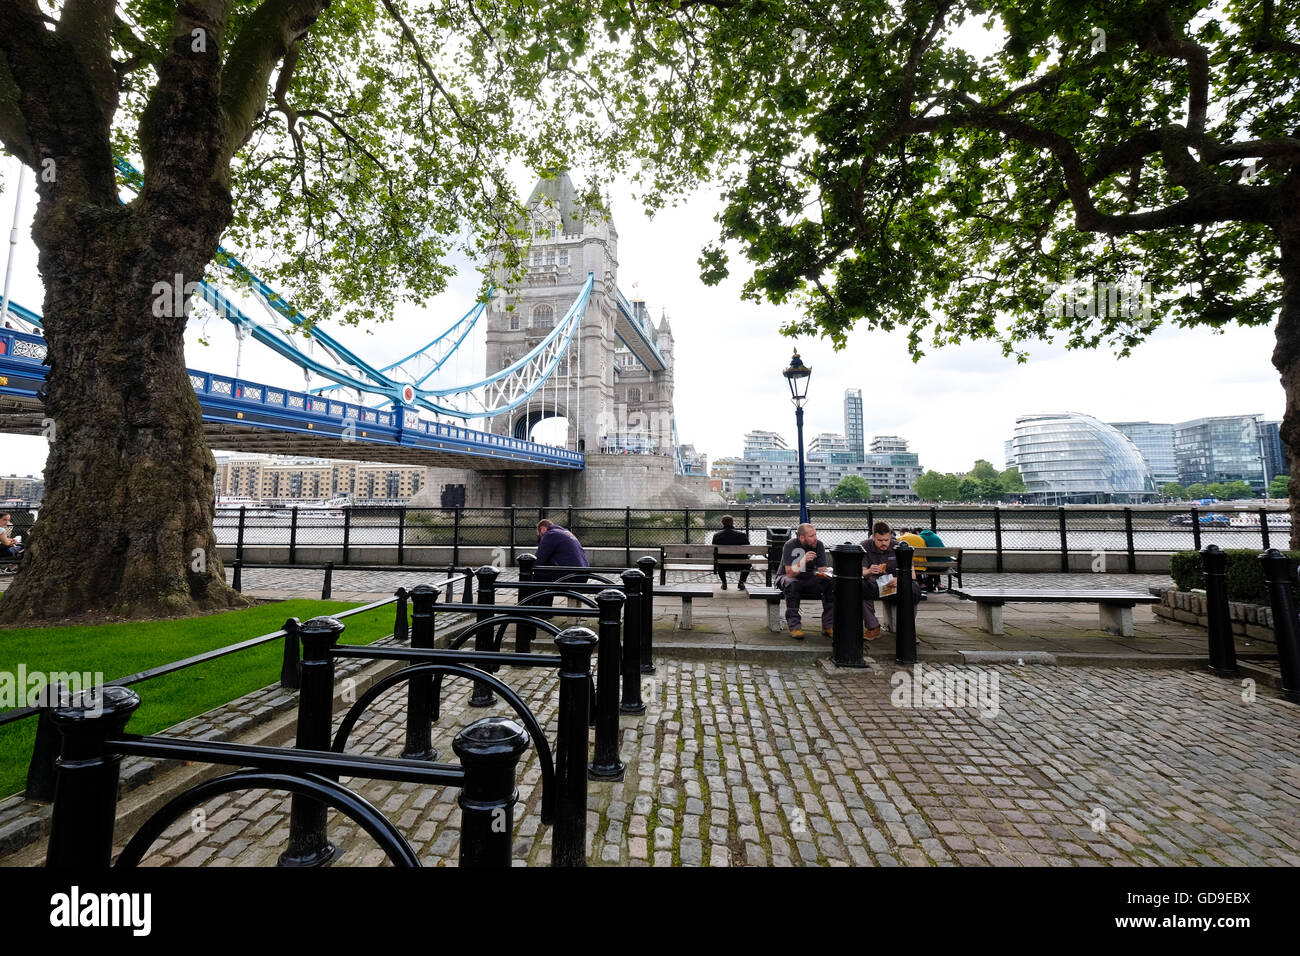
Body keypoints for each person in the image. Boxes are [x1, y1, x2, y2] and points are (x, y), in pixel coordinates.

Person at [860, 521, 922, 641]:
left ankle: (908, 629)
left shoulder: (899, 546)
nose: (884, 543)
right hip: (874, 585)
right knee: (859, 587)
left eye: (886, 540)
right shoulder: (864, 546)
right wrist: (869, 571)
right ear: (873, 537)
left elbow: (912, 573)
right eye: (880, 540)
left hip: (895, 584)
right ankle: (873, 627)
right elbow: (860, 572)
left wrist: (900, 579)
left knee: (913, 589)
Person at [777, 523, 833, 640]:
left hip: (809, 578)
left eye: (815, 534)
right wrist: (803, 560)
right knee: (792, 583)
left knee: (830, 583)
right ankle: (795, 626)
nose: (815, 538)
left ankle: (828, 625)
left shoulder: (819, 545)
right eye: (811, 536)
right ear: (802, 537)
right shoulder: (790, 545)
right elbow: (790, 572)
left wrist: (827, 573)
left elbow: (822, 568)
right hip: (787, 577)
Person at [531, 519, 589, 605]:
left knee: (536, 576)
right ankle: (544, 609)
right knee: (546, 573)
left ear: (543, 529)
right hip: (582, 575)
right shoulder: (564, 532)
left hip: (572, 577)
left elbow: (538, 559)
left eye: (539, 535)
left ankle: (538, 609)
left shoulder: (550, 534)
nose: (540, 538)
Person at [711, 514, 751, 590]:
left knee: (718, 559)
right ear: (732, 522)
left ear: (722, 523)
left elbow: (714, 551)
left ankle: (724, 583)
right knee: (748, 563)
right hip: (740, 564)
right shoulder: (742, 535)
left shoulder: (716, 535)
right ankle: (741, 582)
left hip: (722, 564)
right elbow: (748, 549)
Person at [918, 527, 950, 591]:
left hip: (932, 566)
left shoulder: (920, 537)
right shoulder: (935, 536)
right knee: (935, 563)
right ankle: (937, 584)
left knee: (930, 564)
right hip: (945, 565)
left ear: (917, 533)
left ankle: (923, 584)